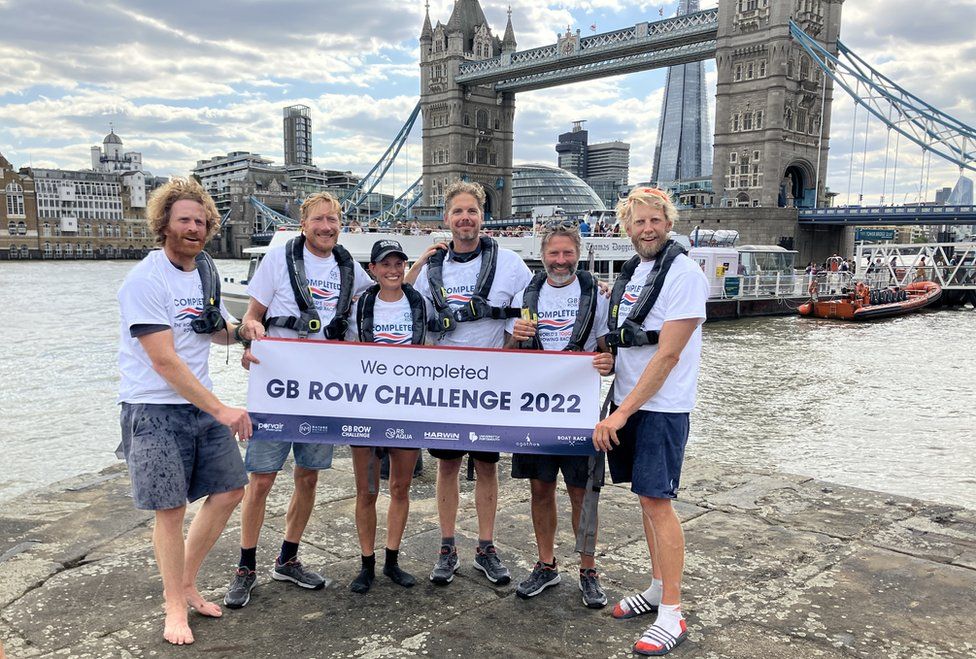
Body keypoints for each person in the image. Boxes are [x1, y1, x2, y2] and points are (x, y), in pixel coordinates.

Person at [116, 177, 251, 645]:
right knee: (170, 509)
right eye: (184, 220)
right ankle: (174, 605)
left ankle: (186, 581)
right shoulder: (145, 279)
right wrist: (222, 410)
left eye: (201, 220)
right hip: (154, 409)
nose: (194, 228)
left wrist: (246, 335)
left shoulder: (204, 273)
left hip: (200, 406)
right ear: (164, 225)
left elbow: (212, 328)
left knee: (232, 489)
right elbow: (164, 359)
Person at [224, 191, 373, 608]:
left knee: (308, 476)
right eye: (319, 219)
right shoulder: (278, 260)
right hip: (278, 386)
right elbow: (253, 315)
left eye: (334, 220)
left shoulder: (350, 269)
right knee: (263, 479)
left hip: (321, 391)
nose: (327, 227)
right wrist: (249, 337)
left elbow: (388, 295)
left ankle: (288, 558)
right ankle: (245, 566)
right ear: (304, 223)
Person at [592, 187, 709, 657]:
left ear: (668, 221)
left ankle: (673, 612)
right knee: (645, 499)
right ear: (626, 226)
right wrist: (608, 363)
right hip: (631, 401)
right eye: (638, 222)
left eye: (655, 220)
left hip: (661, 407)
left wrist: (620, 412)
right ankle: (659, 586)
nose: (647, 229)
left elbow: (669, 354)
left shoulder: (684, 273)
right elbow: (633, 341)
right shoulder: (635, 272)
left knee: (659, 502)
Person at [406, 180, 532, 586]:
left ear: (483, 217)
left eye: (472, 211)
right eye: (457, 212)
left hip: (489, 380)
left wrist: (597, 293)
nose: (465, 218)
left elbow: (534, 302)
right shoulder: (431, 269)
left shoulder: (510, 263)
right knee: (447, 465)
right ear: (447, 218)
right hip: (445, 380)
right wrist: (419, 262)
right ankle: (447, 546)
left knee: (487, 465)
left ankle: (486, 546)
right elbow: (401, 304)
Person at [504, 224, 614, 608]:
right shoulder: (526, 295)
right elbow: (507, 357)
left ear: (578, 254)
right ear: (543, 254)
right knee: (540, 489)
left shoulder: (596, 297)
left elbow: (607, 352)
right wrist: (515, 335)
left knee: (583, 494)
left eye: (568, 254)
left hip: (578, 411)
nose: (561, 261)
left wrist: (607, 361)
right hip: (535, 411)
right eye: (554, 254)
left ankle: (588, 569)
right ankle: (546, 565)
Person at [344, 239, 432, 594]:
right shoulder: (360, 305)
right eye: (386, 264)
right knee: (366, 489)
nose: (393, 270)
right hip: (367, 408)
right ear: (373, 270)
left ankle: (392, 559)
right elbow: (347, 351)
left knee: (400, 487)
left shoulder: (418, 304)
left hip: (407, 408)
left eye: (399, 263)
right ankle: (366, 563)